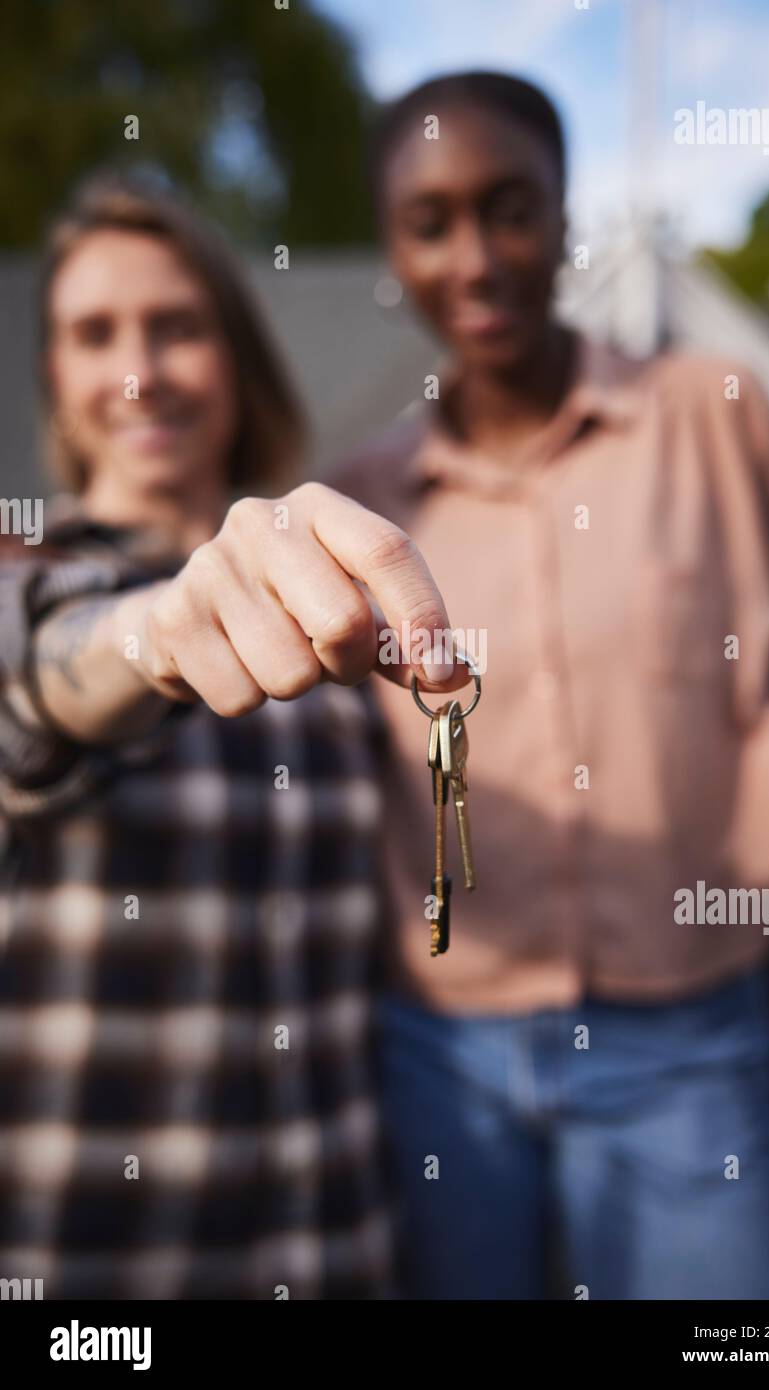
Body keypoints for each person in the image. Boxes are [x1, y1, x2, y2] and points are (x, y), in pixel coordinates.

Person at [334, 71, 769, 1300]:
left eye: (510, 207)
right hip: (443, 1051)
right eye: (431, 221)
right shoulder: (363, 502)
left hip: (694, 1042)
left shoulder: (710, 421)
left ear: (566, 215)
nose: (475, 256)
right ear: (393, 247)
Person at [0, 174, 459, 1299]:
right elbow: (43, 681)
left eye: (177, 325)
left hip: (342, 1244)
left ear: (237, 356)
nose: (139, 369)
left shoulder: (338, 616)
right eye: (93, 332)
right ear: (55, 376)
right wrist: (158, 632)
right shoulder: (26, 583)